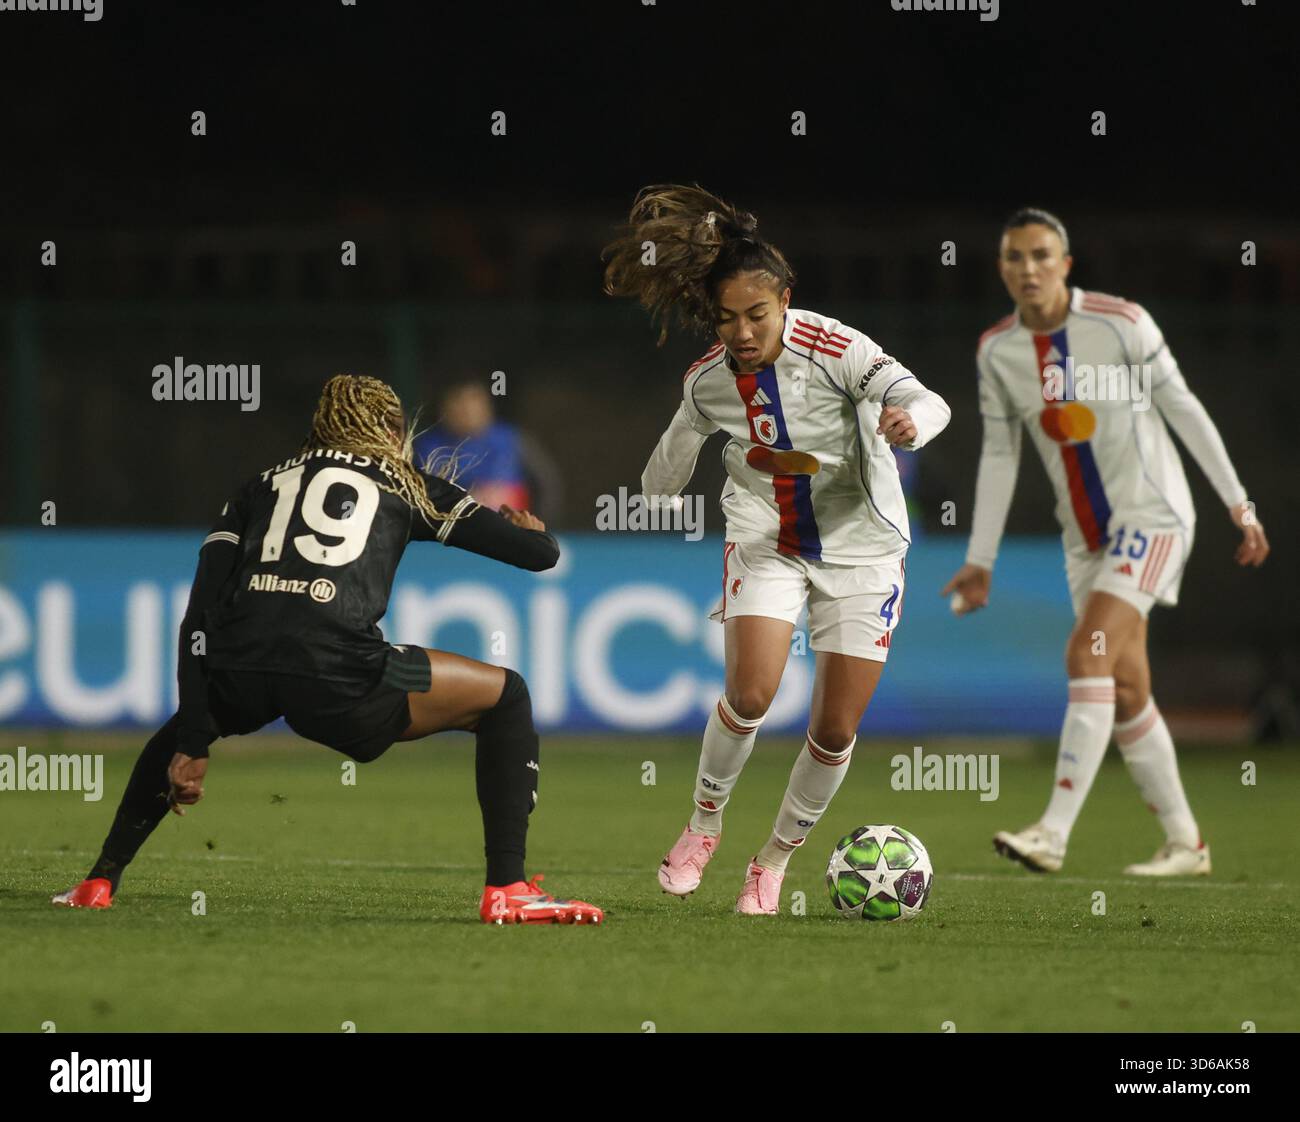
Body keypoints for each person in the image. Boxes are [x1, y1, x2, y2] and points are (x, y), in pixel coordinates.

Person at [52, 374, 603, 925]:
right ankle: (507, 886)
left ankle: (100, 879)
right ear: (391, 429)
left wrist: (196, 738)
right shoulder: (407, 484)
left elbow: (199, 618)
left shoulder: (256, 488)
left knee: (179, 731)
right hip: (342, 676)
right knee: (505, 696)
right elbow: (538, 556)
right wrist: (533, 530)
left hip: (243, 666)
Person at [603, 184, 951, 914]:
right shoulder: (708, 383)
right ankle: (703, 826)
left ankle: (773, 862)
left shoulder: (837, 349)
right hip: (766, 541)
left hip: (865, 550)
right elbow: (660, 477)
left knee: (834, 728)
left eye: (757, 314)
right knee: (752, 693)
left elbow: (929, 399)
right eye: (728, 319)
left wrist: (912, 422)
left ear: (785, 299)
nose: (743, 331)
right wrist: (668, 471)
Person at [943, 208, 1270, 876]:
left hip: (1153, 518)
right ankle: (1186, 843)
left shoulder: (1122, 323)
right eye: (1014, 258)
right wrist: (980, 559)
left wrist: (1239, 504)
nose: (1028, 269)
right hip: (1085, 541)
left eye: (1041, 255)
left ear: (1066, 264)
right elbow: (999, 455)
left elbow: (1184, 408)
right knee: (1124, 688)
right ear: (1002, 268)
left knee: (1085, 653)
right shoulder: (998, 351)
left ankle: (1053, 834)